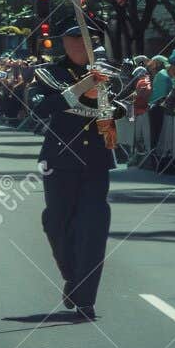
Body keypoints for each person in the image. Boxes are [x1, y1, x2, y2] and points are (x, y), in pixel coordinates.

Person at [29, 27, 123, 321]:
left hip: (96, 160)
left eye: (86, 42)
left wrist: (113, 100)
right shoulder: (47, 74)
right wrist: (82, 87)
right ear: (65, 43)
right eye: (75, 42)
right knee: (57, 222)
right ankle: (72, 276)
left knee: (94, 229)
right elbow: (41, 108)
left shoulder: (107, 73)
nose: (81, 47)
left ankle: (85, 298)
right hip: (60, 160)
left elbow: (113, 112)